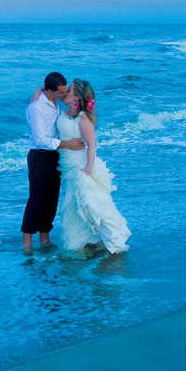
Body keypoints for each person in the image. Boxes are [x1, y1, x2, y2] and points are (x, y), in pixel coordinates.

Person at [55, 79, 130, 254]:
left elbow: (92, 144)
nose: (65, 92)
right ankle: (84, 239)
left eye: (70, 90)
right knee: (74, 204)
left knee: (87, 203)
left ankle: (96, 240)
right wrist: (39, 90)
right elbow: (51, 92)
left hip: (79, 166)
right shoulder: (67, 111)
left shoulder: (83, 118)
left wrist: (88, 169)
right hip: (66, 167)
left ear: (77, 98)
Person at [22, 72, 84, 253]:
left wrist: (40, 88)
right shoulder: (37, 108)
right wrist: (67, 144)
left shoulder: (55, 101)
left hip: (55, 156)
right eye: (61, 92)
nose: (65, 95)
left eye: (66, 91)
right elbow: (40, 139)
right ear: (50, 91)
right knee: (37, 199)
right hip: (39, 156)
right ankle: (26, 243)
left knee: (51, 199)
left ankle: (45, 239)